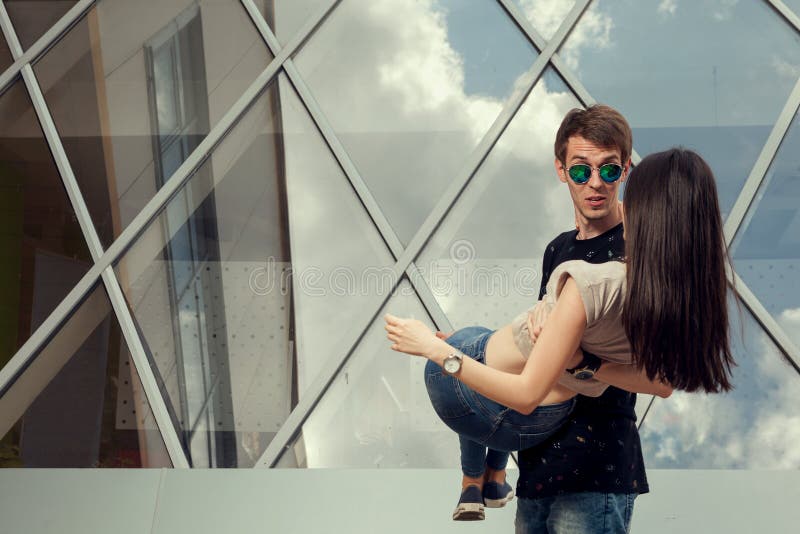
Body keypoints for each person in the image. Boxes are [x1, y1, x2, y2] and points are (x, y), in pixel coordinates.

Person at [384, 143, 735, 527]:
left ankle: (477, 477)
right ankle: (489, 477)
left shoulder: (593, 282)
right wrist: (585, 362)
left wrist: (436, 350)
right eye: (581, 170)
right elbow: (660, 383)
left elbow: (527, 393)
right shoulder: (673, 295)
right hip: (548, 470)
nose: (599, 186)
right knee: (478, 343)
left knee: (469, 349)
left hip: (583, 465)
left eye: (614, 174)